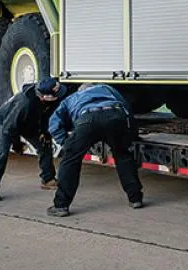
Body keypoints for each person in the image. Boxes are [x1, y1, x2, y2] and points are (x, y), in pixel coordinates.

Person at [46, 84, 142, 217]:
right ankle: (135, 198)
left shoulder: (71, 98)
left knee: (70, 161)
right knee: (123, 156)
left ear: (81, 90)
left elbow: (53, 123)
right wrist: (131, 135)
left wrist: (65, 143)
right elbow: (126, 107)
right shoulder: (106, 88)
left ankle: (61, 206)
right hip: (115, 114)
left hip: (88, 119)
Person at [0, 76, 67, 202]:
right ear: (44, 96)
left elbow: (46, 115)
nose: (59, 95)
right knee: (3, 152)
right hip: (6, 122)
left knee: (44, 145)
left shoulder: (47, 98)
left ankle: (48, 179)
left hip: (28, 122)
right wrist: (17, 145)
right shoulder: (25, 104)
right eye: (56, 94)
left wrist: (45, 133)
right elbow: (10, 127)